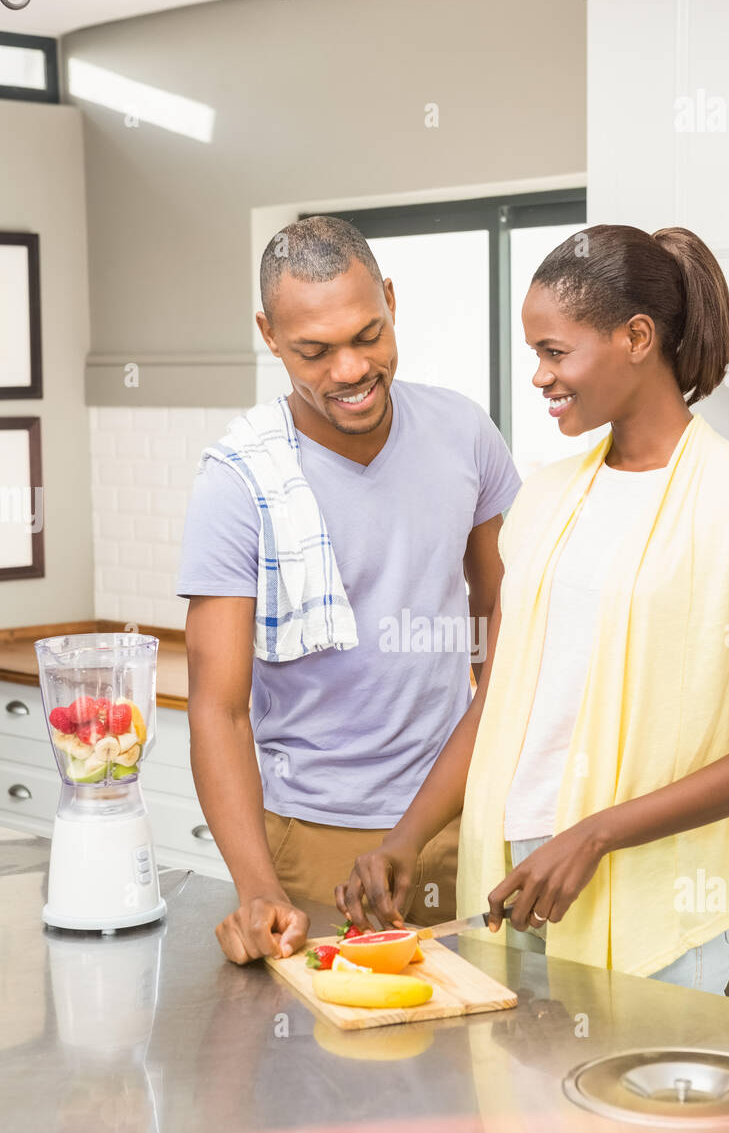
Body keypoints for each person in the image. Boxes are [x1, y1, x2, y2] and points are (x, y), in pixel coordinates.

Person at [337, 224, 729, 996]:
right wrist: (408, 838)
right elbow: (498, 697)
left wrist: (594, 836)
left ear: (636, 337)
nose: (538, 376)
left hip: (652, 924)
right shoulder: (551, 497)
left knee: (631, 1121)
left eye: (555, 352)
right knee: (514, 1118)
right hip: (512, 896)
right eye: (535, 354)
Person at [176, 216, 521, 965]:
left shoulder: (464, 433)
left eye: (368, 335)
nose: (349, 369)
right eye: (314, 350)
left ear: (391, 300)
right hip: (313, 843)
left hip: (459, 824)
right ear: (270, 337)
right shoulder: (237, 484)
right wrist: (257, 887)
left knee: (467, 1067)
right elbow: (218, 707)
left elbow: (507, 632)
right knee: (322, 1071)